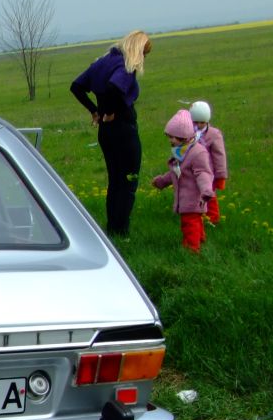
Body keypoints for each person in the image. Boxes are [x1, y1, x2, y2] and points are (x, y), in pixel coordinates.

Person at [70, 30, 153, 238]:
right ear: (138, 50)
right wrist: (109, 112)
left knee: (115, 180)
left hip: (106, 132)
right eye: (144, 53)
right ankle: (122, 230)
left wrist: (95, 111)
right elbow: (115, 87)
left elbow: (77, 86)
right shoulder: (126, 65)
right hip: (123, 128)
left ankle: (112, 228)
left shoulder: (104, 60)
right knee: (129, 179)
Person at [151, 109, 214, 253]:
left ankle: (191, 249)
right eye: (169, 136)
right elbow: (176, 173)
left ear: (185, 136)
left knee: (189, 223)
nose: (171, 140)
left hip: (193, 198)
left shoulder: (197, 153)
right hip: (185, 198)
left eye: (174, 137)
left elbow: (203, 173)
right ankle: (201, 239)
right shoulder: (181, 152)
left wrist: (206, 190)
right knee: (195, 221)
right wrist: (162, 181)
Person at [189, 100, 228, 226]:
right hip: (191, 171)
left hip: (208, 172)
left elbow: (219, 156)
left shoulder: (214, 135)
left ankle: (213, 217)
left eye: (202, 122)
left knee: (209, 195)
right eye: (196, 122)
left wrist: (220, 175)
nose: (199, 125)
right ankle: (195, 214)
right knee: (193, 194)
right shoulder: (187, 134)